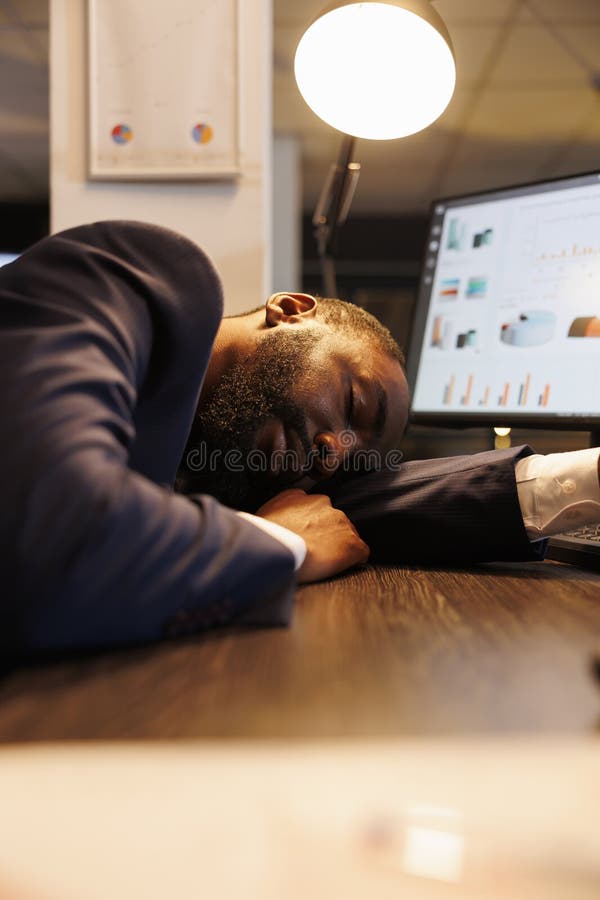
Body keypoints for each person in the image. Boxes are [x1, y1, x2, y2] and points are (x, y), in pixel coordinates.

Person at [1, 221, 598, 656]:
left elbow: (342, 516)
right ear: (291, 309)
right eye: (354, 402)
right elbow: (55, 534)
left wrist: (580, 481)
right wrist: (280, 543)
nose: (333, 452)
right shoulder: (149, 278)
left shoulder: (226, 461)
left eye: (346, 463)